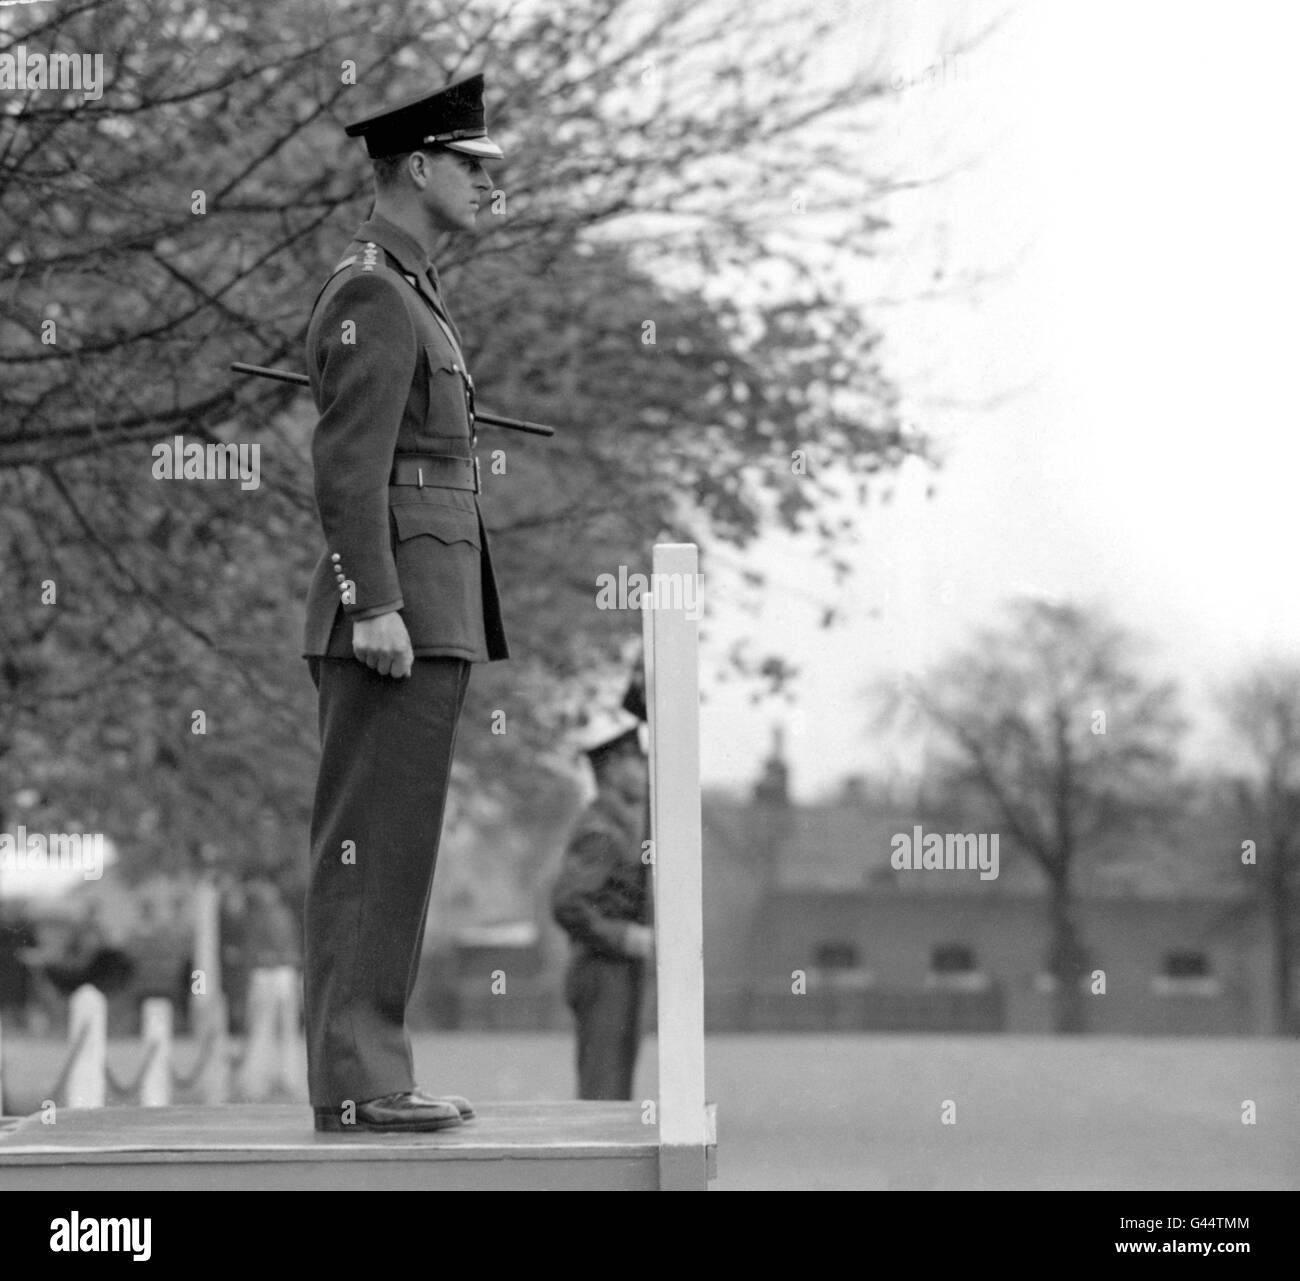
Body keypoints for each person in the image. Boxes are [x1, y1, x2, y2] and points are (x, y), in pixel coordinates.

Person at [302, 73, 509, 1134]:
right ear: (417, 167)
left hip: (430, 612)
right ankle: (358, 1081)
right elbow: (347, 469)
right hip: (391, 619)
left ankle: (370, 1073)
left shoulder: (412, 292)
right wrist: (374, 604)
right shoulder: (371, 293)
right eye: (471, 166)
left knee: (399, 850)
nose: (487, 184)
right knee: (365, 850)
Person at [551, 714, 653, 1100]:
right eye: (636, 761)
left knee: (615, 1090)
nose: (645, 770)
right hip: (602, 970)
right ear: (611, 770)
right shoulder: (602, 830)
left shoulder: (622, 824)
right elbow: (567, 904)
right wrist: (624, 936)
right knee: (603, 1092)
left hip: (617, 971)